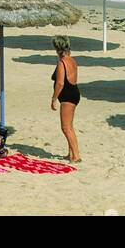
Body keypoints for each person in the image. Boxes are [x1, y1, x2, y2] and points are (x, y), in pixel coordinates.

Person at [50, 35, 81, 163]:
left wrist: (53, 99)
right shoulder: (72, 60)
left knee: (66, 128)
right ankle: (70, 153)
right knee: (70, 126)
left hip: (67, 95)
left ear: (57, 48)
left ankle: (76, 156)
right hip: (74, 92)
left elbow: (60, 83)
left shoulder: (61, 62)